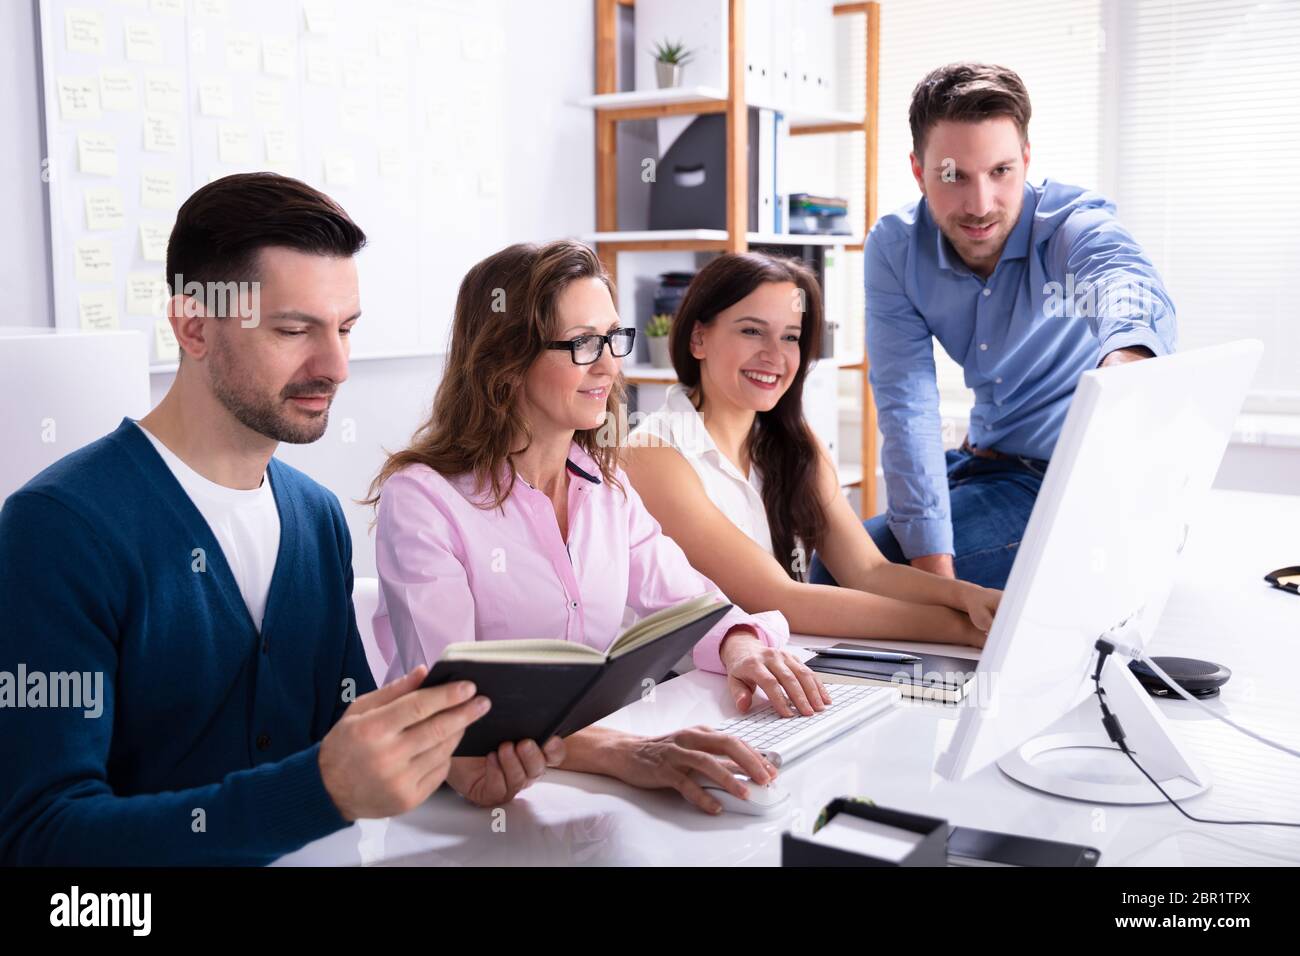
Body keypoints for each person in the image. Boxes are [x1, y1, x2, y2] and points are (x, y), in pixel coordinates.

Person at [0, 173, 489, 865]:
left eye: (346, 329)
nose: (337, 366)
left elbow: (337, 737)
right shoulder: (59, 530)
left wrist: (447, 764)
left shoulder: (315, 518)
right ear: (193, 326)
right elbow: (41, 840)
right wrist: (317, 791)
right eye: (295, 330)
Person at [367, 239, 830, 815]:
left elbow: (686, 601)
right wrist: (628, 753)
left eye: (613, 338)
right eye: (583, 344)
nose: (610, 367)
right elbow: (453, 704)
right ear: (506, 362)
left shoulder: (603, 485)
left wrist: (739, 646)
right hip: (460, 804)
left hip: (580, 788)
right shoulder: (424, 500)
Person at [811, 62, 1177, 590]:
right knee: (837, 566)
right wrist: (934, 574)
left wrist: (1127, 364)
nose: (980, 205)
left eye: (1001, 172)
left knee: (848, 581)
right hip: (979, 461)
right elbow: (906, 402)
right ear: (919, 171)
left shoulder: (1068, 227)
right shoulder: (894, 248)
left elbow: (1124, 282)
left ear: (1026, 160)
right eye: (953, 175)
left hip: (1062, 481)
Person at [625, 252, 996, 647]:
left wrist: (971, 599)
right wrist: (961, 630)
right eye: (751, 331)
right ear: (698, 338)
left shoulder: (795, 444)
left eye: (790, 337)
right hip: (683, 687)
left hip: (782, 662)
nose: (775, 355)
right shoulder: (653, 454)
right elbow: (778, 598)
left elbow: (868, 572)